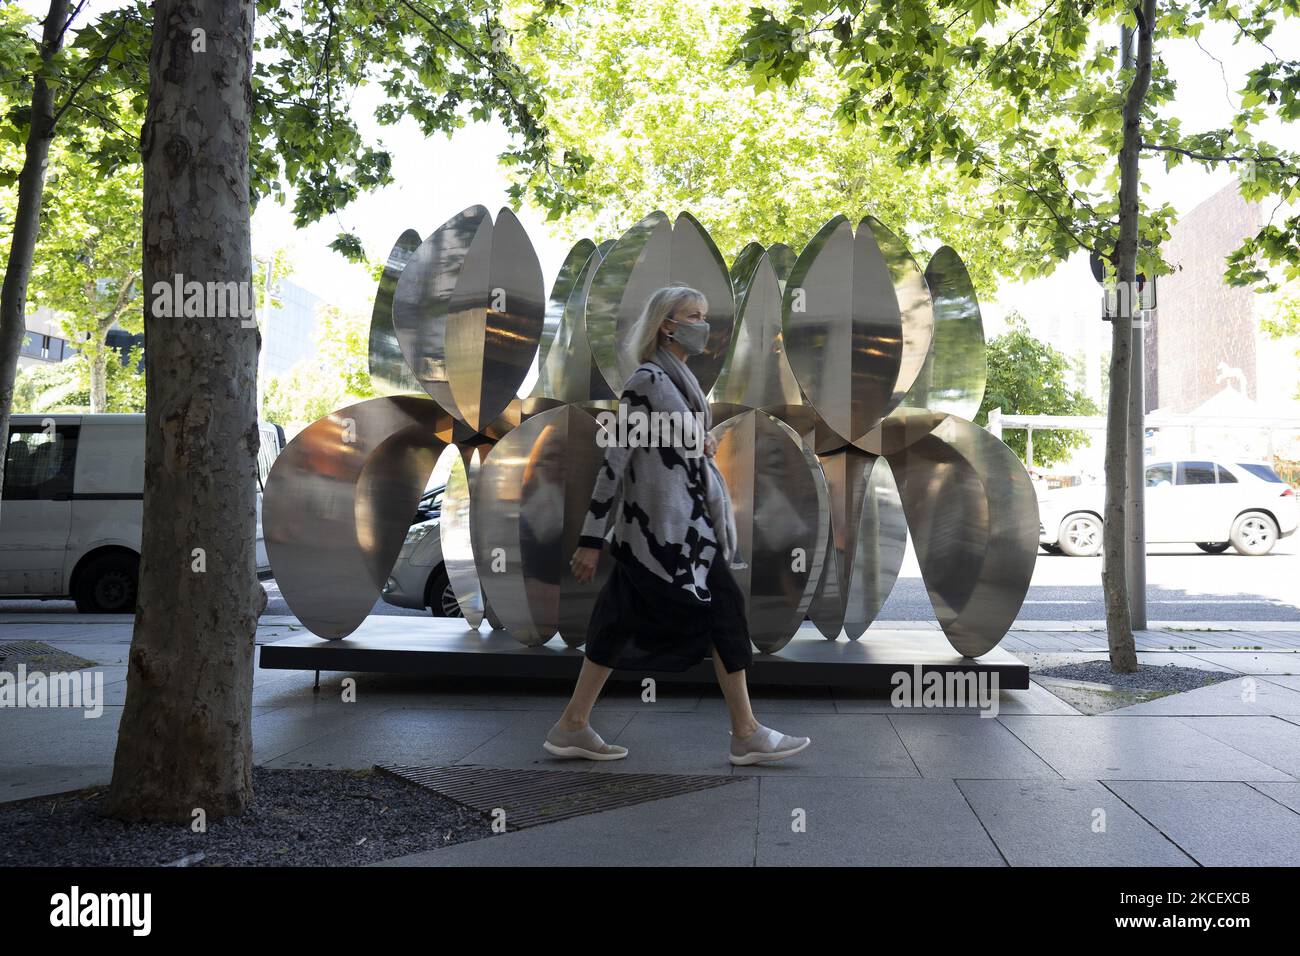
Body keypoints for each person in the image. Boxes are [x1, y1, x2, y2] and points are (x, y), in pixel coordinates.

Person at [543, 285, 812, 766]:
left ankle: (571, 725)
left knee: (613, 623)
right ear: (667, 324)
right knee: (722, 611)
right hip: (663, 535)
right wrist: (589, 539)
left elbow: (670, 441)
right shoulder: (646, 381)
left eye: (703, 315)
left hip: (675, 529)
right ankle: (745, 732)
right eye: (694, 315)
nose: (702, 325)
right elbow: (617, 460)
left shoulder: (679, 378)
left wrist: (699, 441)